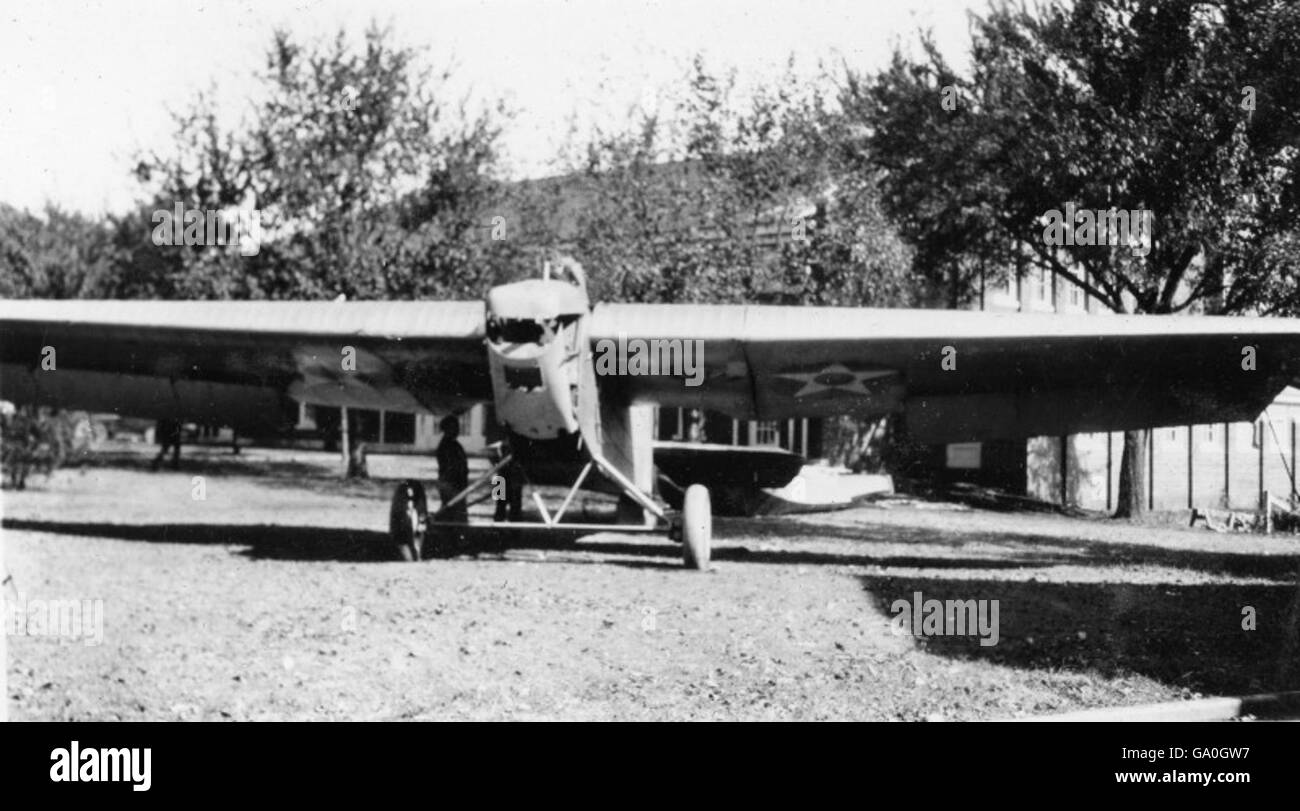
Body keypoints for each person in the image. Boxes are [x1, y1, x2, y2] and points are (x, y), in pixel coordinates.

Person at [435, 415, 469, 523]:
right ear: (448, 429)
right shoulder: (447, 445)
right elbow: (453, 467)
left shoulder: (452, 444)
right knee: (456, 515)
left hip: (453, 484)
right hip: (451, 485)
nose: (458, 430)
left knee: (452, 513)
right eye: (455, 427)